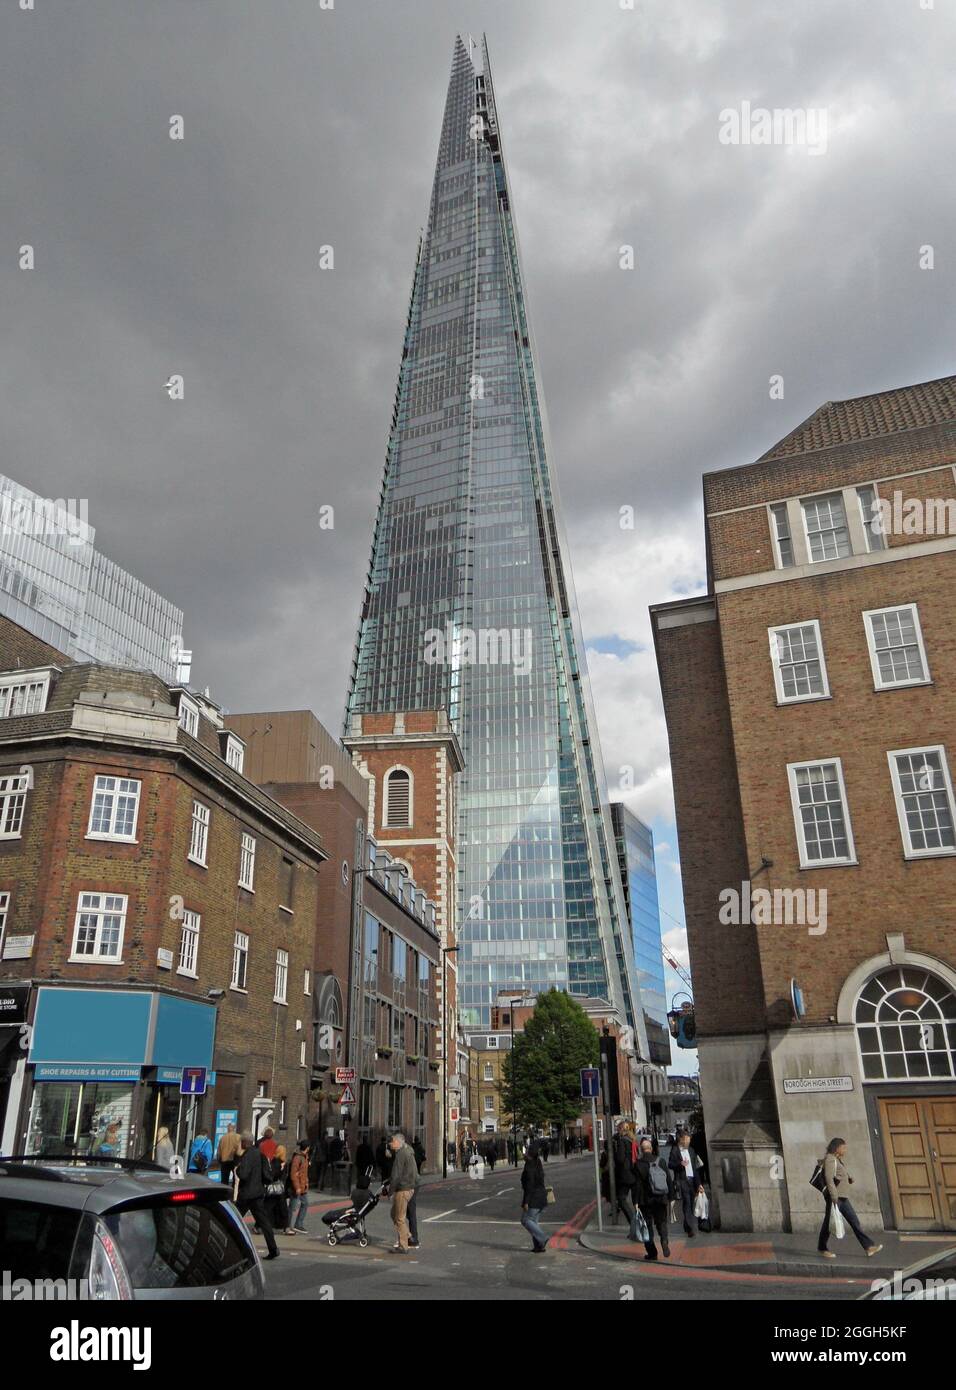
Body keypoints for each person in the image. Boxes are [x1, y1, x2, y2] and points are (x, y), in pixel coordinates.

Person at [817, 1138, 883, 1260]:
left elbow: (840, 1174)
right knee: (828, 1224)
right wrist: (833, 1196)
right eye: (843, 1147)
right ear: (837, 1148)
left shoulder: (837, 1159)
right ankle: (822, 1248)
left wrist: (849, 1178)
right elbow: (829, 1178)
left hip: (842, 1197)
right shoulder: (830, 1159)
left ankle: (868, 1247)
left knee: (854, 1221)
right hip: (836, 1198)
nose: (845, 1150)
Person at [235, 1132, 279, 1260]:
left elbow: (243, 1174)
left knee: (234, 1219)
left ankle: (234, 1247)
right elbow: (266, 1175)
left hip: (246, 1194)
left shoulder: (247, 1155)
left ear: (244, 1142)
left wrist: (238, 1169)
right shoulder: (259, 1154)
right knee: (264, 1222)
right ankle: (273, 1248)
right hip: (258, 1193)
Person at [634, 1137, 672, 1260]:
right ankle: (664, 1240)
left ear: (641, 1150)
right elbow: (668, 1179)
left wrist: (635, 1202)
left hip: (645, 1201)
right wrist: (671, 1197)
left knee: (647, 1226)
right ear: (650, 1149)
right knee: (662, 1222)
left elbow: (637, 1185)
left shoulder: (638, 1164)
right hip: (661, 1198)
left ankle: (652, 1253)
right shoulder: (660, 1161)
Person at [386, 1131, 418, 1254]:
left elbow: (396, 1175)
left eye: (392, 1141)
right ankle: (408, 1235)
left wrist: (390, 1192)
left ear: (398, 1142)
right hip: (409, 1187)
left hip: (403, 1189)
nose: (390, 1144)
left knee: (399, 1218)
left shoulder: (401, 1154)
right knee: (393, 1213)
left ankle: (403, 1246)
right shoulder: (408, 1151)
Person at [667, 1129, 703, 1237]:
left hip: (692, 1180)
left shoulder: (691, 1150)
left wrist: (699, 1184)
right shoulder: (675, 1150)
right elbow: (670, 1164)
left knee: (691, 1204)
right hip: (682, 1181)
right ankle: (690, 1229)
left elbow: (695, 1168)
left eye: (689, 1139)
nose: (689, 1141)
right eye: (687, 1139)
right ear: (681, 1139)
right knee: (687, 1203)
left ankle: (687, 1225)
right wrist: (680, 1164)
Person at [520, 1141, 550, 1253]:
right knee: (534, 1222)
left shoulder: (529, 1167)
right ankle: (539, 1246)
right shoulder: (537, 1162)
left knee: (525, 1220)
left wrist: (526, 1202)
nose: (525, 1152)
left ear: (529, 1154)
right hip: (542, 1197)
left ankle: (542, 1238)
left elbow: (529, 1186)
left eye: (527, 1151)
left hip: (534, 1198)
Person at [286, 1140, 310, 1234]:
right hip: (297, 1187)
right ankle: (287, 1226)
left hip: (303, 1186)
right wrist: (297, 1187)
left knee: (305, 1203)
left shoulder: (305, 1157)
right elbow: (293, 1174)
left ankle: (298, 1224)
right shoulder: (298, 1158)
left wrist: (306, 1182)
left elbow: (304, 1173)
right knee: (292, 1207)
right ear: (307, 1148)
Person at [217, 1123, 242, 1187]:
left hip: (224, 1161)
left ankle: (224, 1194)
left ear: (228, 1129)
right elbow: (241, 1150)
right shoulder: (238, 1137)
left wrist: (219, 1160)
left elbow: (219, 1152)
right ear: (234, 1128)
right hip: (235, 1161)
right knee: (235, 1180)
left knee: (224, 1180)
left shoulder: (222, 1138)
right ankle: (234, 1193)